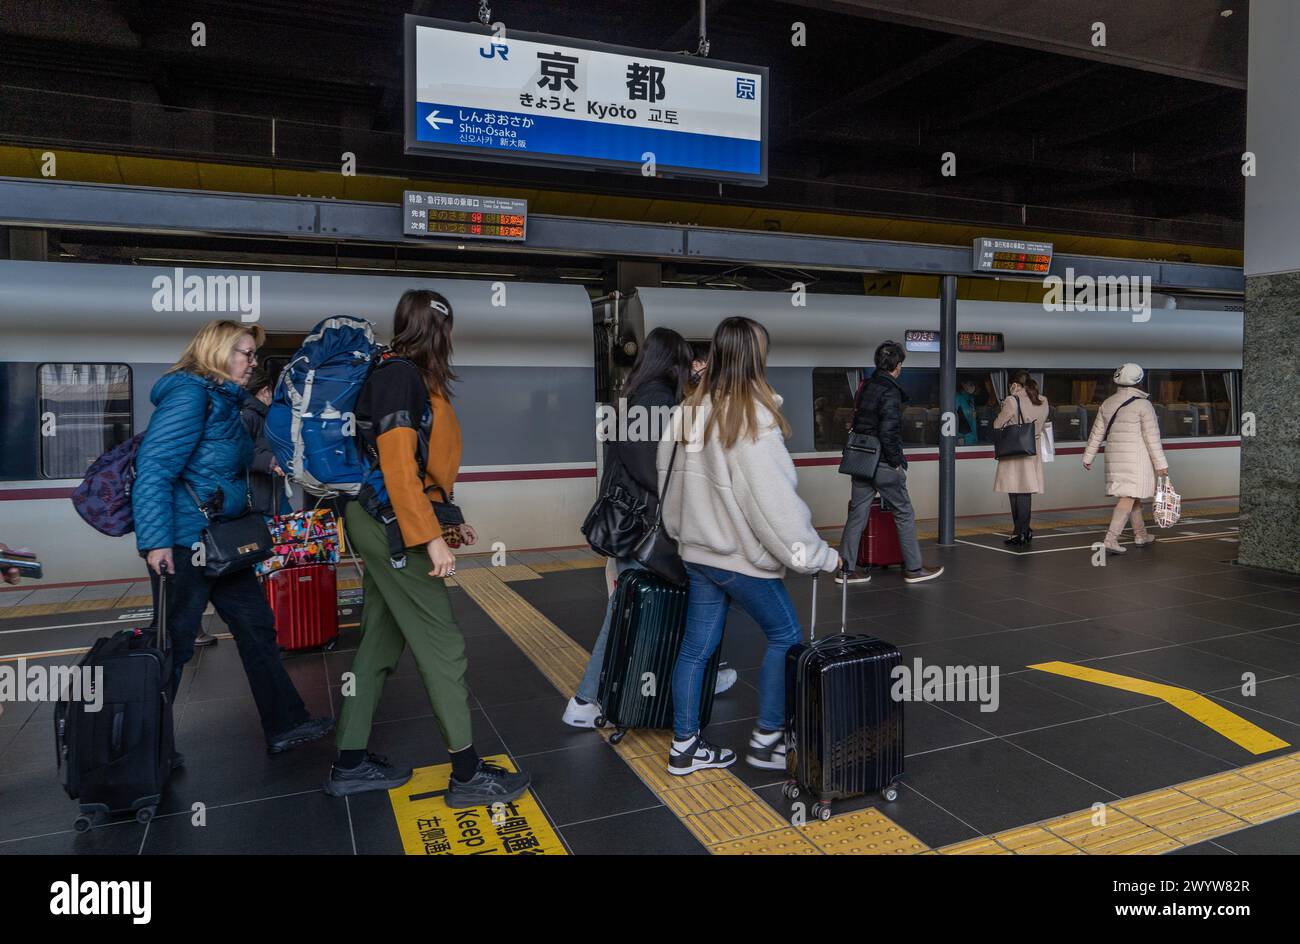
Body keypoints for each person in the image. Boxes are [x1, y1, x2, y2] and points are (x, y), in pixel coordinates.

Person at [323, 289, 530, 807]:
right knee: (444, 646)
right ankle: (466, 775)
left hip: (385, 521)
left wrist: (447, 521)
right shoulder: (400, 378)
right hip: (392, 526)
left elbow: (421, 468)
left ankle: (349, 762)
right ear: (442, 331)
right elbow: (396, 467)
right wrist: (430, 537)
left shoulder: (408, 377)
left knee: (378, 642)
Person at [132, 319, 334, 755]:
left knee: (258, 629)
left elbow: (230, 462)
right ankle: (144, 752)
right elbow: (154, 469)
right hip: (186, 544)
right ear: (217, 353)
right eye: (246, 353)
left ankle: (286, 723)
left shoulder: (223, 401)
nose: (252, 362)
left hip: (221, 541)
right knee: (175, 644)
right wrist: (156, 543)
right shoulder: (189, 396)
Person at [658, 316, 842, 776]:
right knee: (785, 636)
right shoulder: (752, 419)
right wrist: (820, 555)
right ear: (758, 358)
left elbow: (666, 479)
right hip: (737, 558)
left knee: (696, 649)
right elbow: (774, 508)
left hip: (697, 552)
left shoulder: (689, 409)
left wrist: (684, 533)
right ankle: (767, 738)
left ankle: (685, 747)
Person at [564, 328, 735, 729]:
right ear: (672, 362)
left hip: (635, 528)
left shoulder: (639, 397)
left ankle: (695, 677)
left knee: (640, 610)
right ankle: (586, 700)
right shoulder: (656, 399)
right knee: (629, 614)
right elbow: (652, 470)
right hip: (647, 531)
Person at [837, 341, 944, 585]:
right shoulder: (890, 391)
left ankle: (846, 570)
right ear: (896, 366)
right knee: (904, 512)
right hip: (883, 462)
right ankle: (914, 569)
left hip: (861, 460)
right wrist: (897, 462)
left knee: (857, 513)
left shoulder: (865, 386)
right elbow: (889, 431)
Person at [1082, 363, 1169, 554]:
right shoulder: (1143, 404)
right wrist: (1161, 465)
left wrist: (1088, 457)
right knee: (1129, 497)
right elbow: (1152, 437)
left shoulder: (1108, 403)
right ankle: (1110, 539)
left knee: (1132, 496)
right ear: (1139, 381)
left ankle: (1141, 534)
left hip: (1114, 458)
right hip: (1135, 460)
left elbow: (1096, 433)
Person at [993, 371, 1050, 546]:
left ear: (1015, 384)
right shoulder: (1043, 400)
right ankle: (1023, 531)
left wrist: (1008, 401)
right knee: (1025, 491)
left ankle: (1021, 532)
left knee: (1015, 493)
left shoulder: (1012, 400)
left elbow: (997, 424)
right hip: (1032, 450)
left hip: (1015, 451)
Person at [955, 380, 980, 446]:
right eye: (970, 384)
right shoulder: (957, 398)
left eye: (973, 384)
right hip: (963, 436)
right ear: (963, 384)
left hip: (973, 435)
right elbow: (956, 417)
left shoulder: (971, 398)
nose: (973, 387)